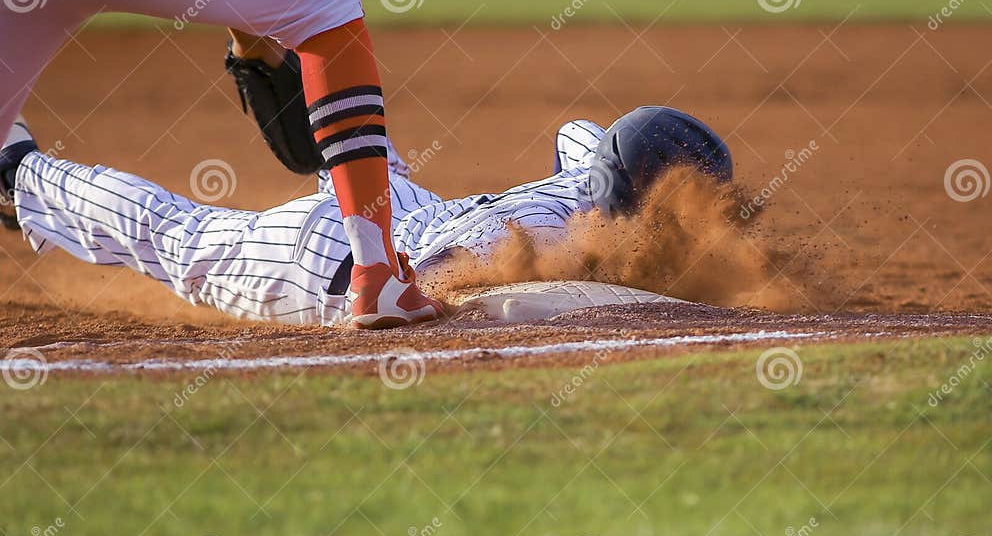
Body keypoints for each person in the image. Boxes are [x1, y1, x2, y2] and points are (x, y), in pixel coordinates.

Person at [0, 0, 439, 328]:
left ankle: (15, 166)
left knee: (324, 3)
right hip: (364, 237)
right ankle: (17, 170)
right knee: (179, 238)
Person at [0, 107, 733, 327]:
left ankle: (287, 75)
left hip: (411, 210)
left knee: (367, 148)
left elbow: (580, 132)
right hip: (327, 262)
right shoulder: (546, 233)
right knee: (175, 235)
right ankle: (18, 170)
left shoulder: (584, 189)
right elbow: (439, 273)